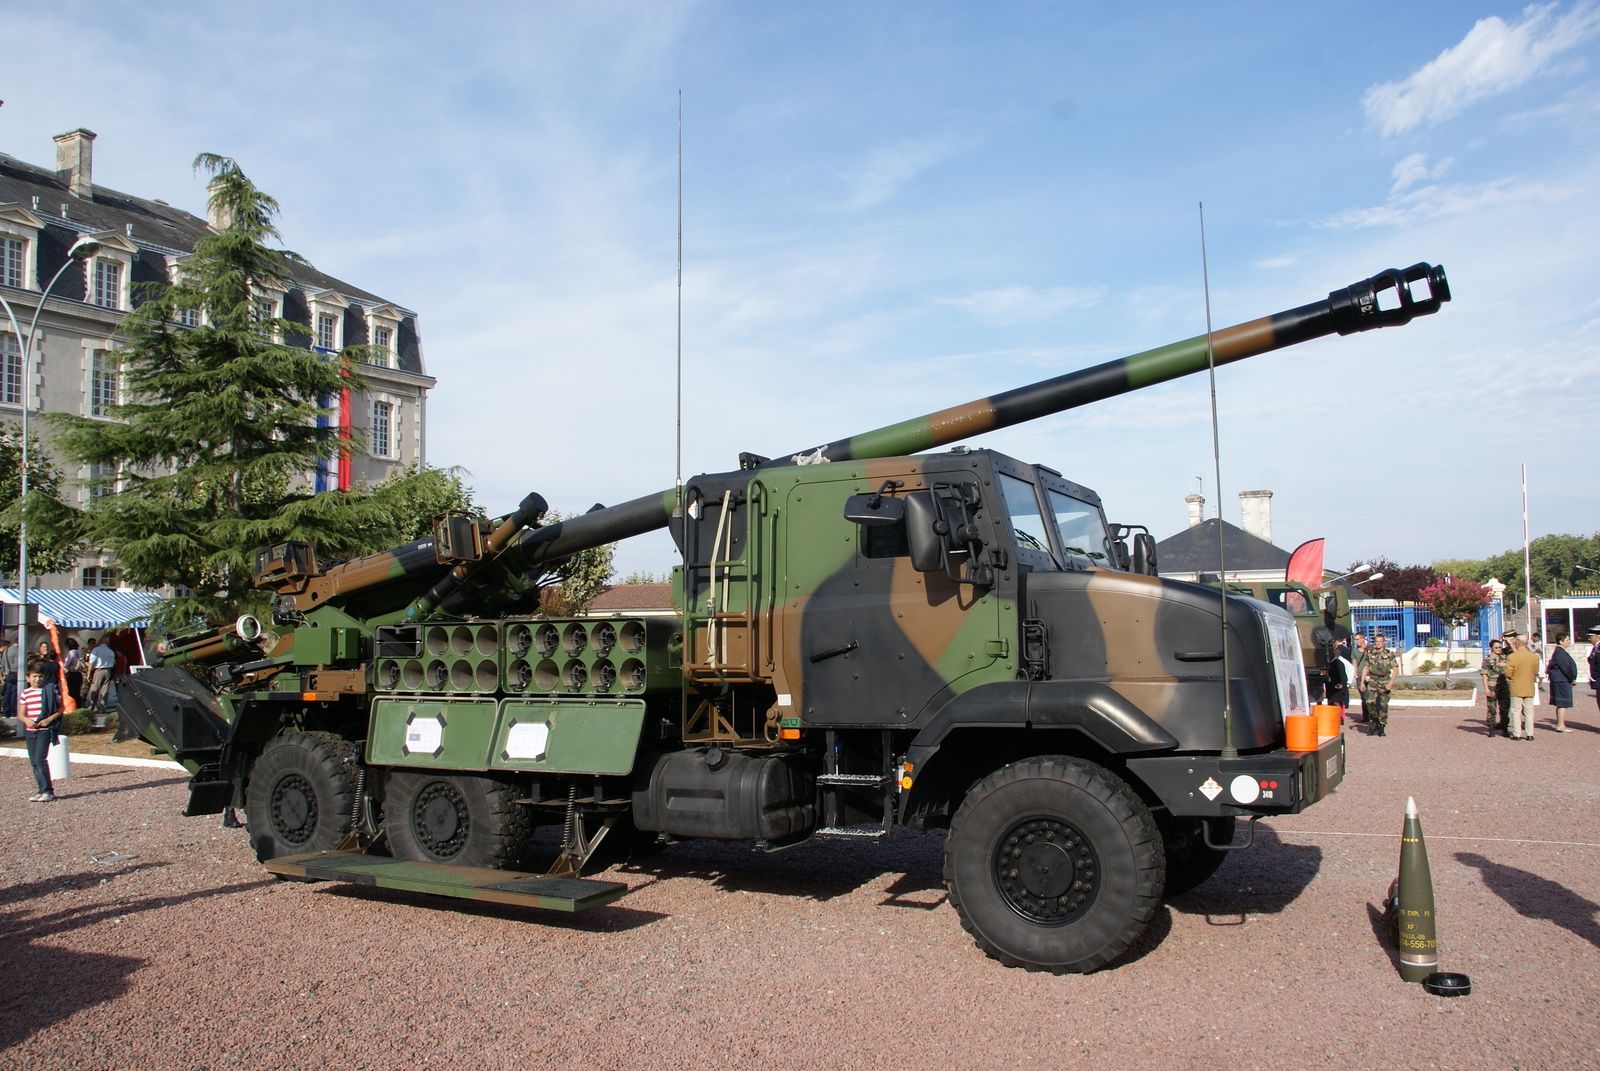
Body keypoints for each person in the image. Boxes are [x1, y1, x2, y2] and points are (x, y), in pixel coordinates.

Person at [19, 667, 64, 802]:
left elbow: (61, 709)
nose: (37, 679)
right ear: (28, 678)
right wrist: (27, 720)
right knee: (34, 762)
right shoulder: (25, 693)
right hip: (31, 731)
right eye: (34, 676)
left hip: (44, 730)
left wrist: (48, 720)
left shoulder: (49, 690)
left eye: (39, 676)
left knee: (40, 760)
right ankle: (41, 790)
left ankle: (48, 791)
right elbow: (20, 714)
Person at [1359, 633, 1399, 736]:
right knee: (1369, 702)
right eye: (1376, 641)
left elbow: (1395, 668)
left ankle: (1382, 726)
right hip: (1373, 680)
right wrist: (1362, 681)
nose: (1378, 643)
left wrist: (1391, 682)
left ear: (1384, 642)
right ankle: (1375, 722)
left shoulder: (1389, 654)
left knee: (1383, 705)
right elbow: (1366, 667)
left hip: (1385, 680)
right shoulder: (1370, 653)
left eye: (1380, 641)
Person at [1503, 636, 1541, 740]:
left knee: (1516, 711)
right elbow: (1535, 671)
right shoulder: (1534, 657)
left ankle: (1517, 734)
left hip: (1516, 686)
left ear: (1517, 643)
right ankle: (1530, 734)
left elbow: (1508, 673)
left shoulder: (1512, 657)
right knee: (1529, 712)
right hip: (1529, 686)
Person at [1545, 632, 1578, 733]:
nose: (1569, 642)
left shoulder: (1560, 652)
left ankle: (1560, 724)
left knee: (1561, 703)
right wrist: (1572, 678)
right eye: (1567, 640)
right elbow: (1565, 667)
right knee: (1562, 703)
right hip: (1561, 680)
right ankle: (1560, 725)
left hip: (1560, 680)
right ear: (1561, 641)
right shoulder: (1560, 653)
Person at [1481, 638, 1511, 737]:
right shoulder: (1488, 659)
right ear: (1492, 648)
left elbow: (1513, 649)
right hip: (1492, 685)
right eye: (1496, 647)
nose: (1498, 649)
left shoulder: (1505, 657)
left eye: (1499, 647)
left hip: (1504, 685)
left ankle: (1505, 727)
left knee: (1505, 708)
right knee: (1492, 708)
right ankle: (1491, 728)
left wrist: (1506, 639)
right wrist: (1486, 689)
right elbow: (1484, 674)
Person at [85, 635, 116, 714]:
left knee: (94, 689)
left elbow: (91, 662)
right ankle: (102, 707)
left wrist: (88, 674)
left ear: (101, 640)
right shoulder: (110, 651)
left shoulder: (96, 650)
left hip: (99, 670)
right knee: (104, 690)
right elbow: (113, 662)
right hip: (108, 670)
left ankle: (91, 707)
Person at [1326, 640, 1351, 711]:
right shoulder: (1333, 663)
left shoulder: (1338, 663)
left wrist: (1341, 683)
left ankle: (1339, 718)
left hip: (1338, 688)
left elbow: (1343, 676)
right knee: (1332, 703)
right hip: (1333, 688)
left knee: (1337, 703)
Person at [1353, 633, 1371, 722]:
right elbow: (1354, 662)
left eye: (1358, 639)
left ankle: (1374, 714)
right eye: (1355, 640)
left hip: (1370, 675)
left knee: (1371, 696)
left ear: (1363, 639)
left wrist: (1366, 648)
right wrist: (1355, 674)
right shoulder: (1354, 651)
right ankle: (1366, 716)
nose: (1357, 641)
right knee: (1364, 697)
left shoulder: (1370, 648)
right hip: (1360, 675)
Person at [1588, 625, 1600, 716]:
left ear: (1598, 636)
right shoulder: (1596, 647)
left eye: (1591, 636)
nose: (1589, 639)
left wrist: (1594, 678)